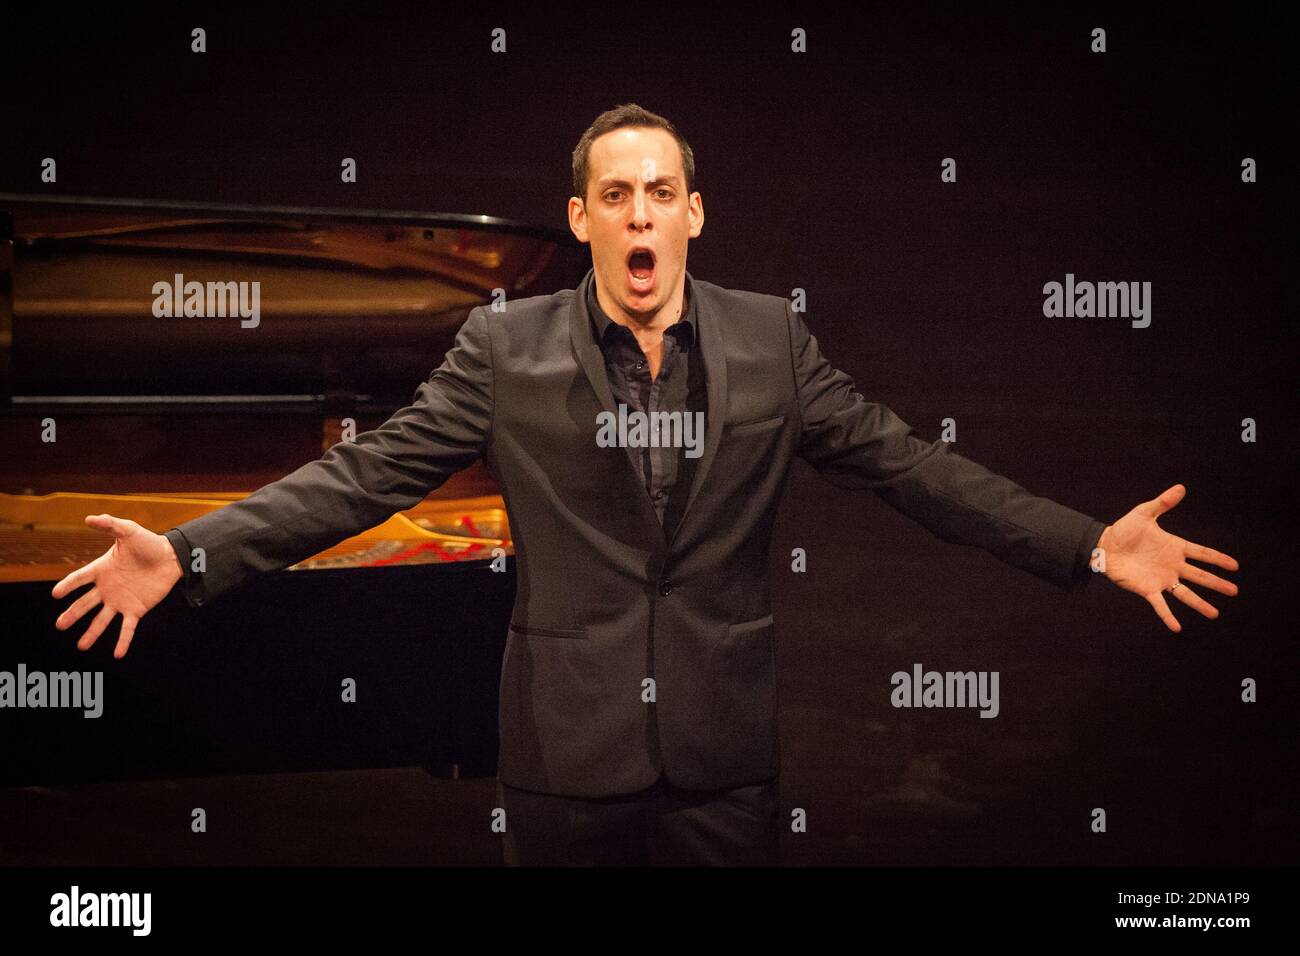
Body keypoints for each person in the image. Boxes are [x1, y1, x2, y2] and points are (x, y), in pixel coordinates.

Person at [51, 103, 1240, 866]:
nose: (637, 213)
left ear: (692, 214)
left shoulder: (774, 341)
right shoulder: (503, 349)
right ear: (581, 218)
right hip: (565, 758)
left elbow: (911, 466)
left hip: (723, 760)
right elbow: (367, 474)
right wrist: (193, 548)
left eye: (658, 192)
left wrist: (1087, 544)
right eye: (613, 194)